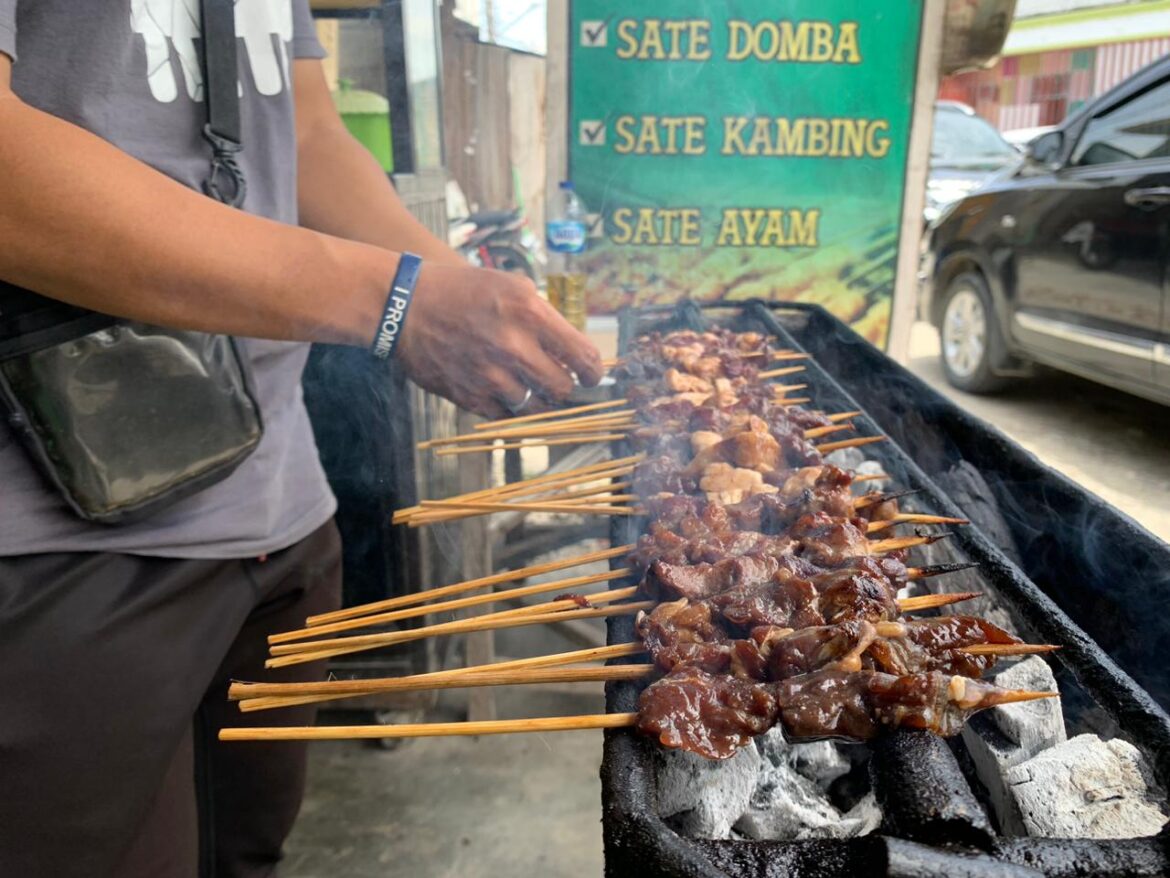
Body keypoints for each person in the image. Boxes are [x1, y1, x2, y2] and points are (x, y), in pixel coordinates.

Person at [0, 3, 602, 877]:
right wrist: (389, 302)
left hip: (280, 504)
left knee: (247, 853)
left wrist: (457, 294)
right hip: (62, 530)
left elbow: (309, 132)